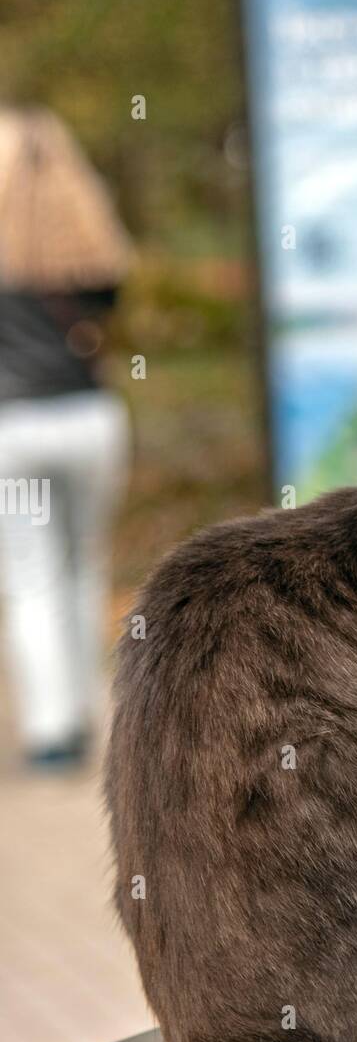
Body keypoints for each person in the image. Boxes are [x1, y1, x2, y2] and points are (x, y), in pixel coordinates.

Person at [0, 106, 132, 768]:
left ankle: (51, 733)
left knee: (31, 577)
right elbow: (111, 305)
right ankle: (86, 716)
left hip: (12, 428)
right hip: (91, 422)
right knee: (84, 565)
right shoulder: (88, 251)